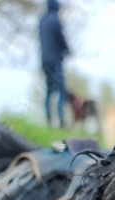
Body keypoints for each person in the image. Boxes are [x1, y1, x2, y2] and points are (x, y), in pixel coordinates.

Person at [39, 0, 70, 128]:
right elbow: (60, 39)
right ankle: (61, 122)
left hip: (44, 61)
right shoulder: (55, 21)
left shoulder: (42, 21)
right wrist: (67, 50)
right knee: (61, 91)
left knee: (49, 90)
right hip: (56, 61)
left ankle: (48, 121)